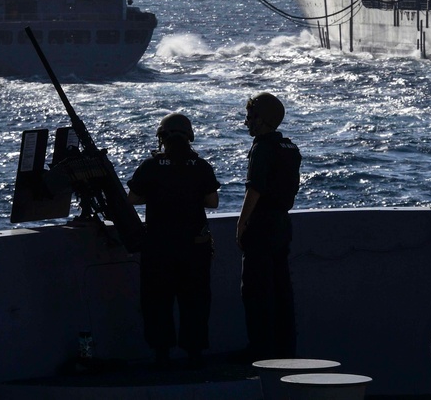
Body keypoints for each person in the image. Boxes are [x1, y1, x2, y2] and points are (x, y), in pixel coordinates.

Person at [127, 113, 220, 368]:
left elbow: (132, 199)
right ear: (189, 137)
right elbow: (212, 201)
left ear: (162, 138)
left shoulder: (151, 166)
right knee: (195, 301)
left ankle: (162, 355)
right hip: (195, 247)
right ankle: (194, 354)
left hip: (159, 247)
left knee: (157, 302)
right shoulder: (200, 166)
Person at [236, 92, 302, 361]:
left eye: (251, 117)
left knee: (255, 290)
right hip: (281, 224)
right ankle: (285, 349)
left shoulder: (262, 147)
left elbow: (255, 189)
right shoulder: (290, 148)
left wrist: (242, 223)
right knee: (281, 289)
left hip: (262, 225)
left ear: (262, 120)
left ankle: (260, 350)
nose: (247, 122)